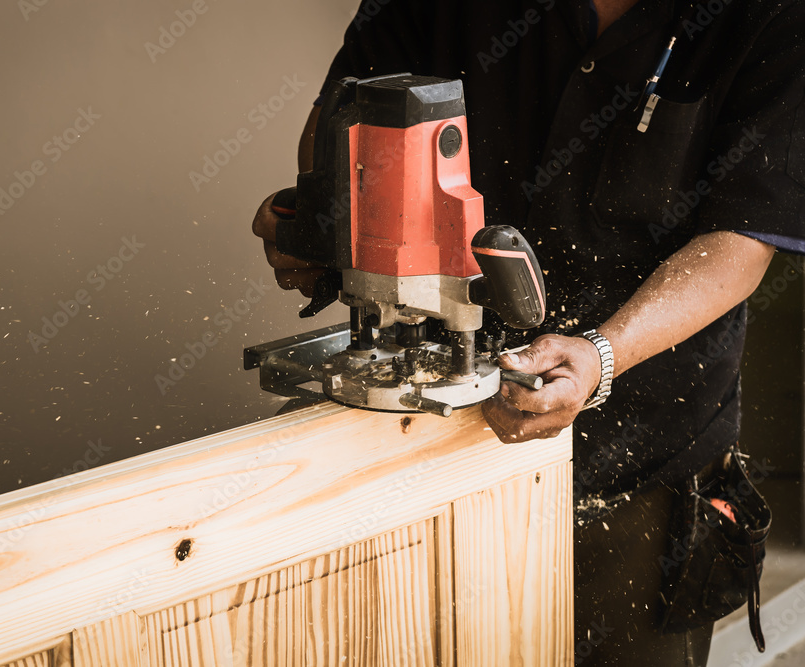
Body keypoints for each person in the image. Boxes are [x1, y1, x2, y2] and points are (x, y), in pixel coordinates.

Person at [253, 0, 804, 664]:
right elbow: (344, 117)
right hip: (431, 449)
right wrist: (328, 219)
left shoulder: (774, 16)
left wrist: (604, 353)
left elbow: (739, 241)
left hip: (639, 464)